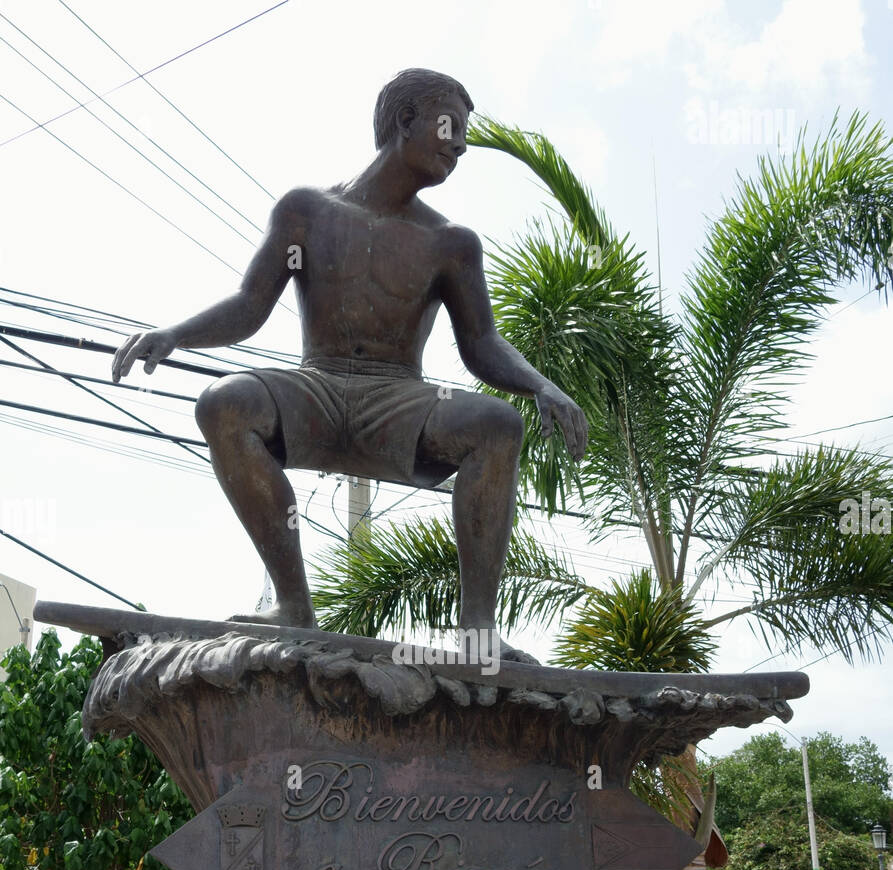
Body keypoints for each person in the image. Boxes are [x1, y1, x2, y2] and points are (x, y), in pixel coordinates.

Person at [111, 69, 588, 661]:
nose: (460, 145)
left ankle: (477, 633)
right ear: (405, 119)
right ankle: (292, 604)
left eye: (464, 135)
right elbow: (250, 304)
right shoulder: (307, 212)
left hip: (400, 402)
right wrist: (175, 334)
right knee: (223, 403)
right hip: (316, 387)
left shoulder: (452, 244)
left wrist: (541, 385)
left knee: (497, 425)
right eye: (451, 126)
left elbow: (482, 343)